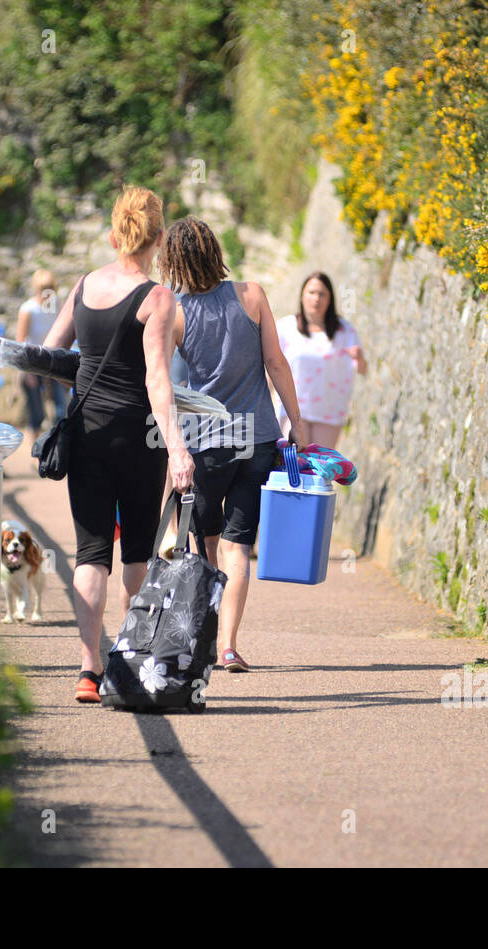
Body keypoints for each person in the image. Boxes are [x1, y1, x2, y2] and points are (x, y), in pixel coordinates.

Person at [41, 186, 193, 704]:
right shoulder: (156, 297)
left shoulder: (84, 285)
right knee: (137, 557)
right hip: (137, 438)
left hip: (87, 434)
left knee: (90, 555)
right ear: (157, 239)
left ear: (115, 234)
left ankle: (88, 668)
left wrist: (86, 387)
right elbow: (157, 379)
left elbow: (48, 354)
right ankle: (126, 665)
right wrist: (177, 447)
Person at [160, 217, 306, 673]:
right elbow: (276, 364)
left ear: (174, 260)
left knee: (205, 543)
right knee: (238, 547)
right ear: (214, 249)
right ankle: (228, 645)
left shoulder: (177, 313)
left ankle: (204, 637)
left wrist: (171, 446)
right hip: (258, 439)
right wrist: (296, 423)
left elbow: (162, 383)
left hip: (206, 446)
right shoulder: (253, 295)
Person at [275, 272, 368, 449]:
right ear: (302, 295)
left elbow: (362, 369)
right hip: (292, 411)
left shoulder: (345, 331)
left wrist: (360, 359)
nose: (316, 299)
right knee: (293, 465)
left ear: (330, 299)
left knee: (320, 469)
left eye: (322, 294)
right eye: (311, 293)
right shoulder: (285, 327)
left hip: (329, 411)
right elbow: (273, 365)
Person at [16, 269, 70, 443]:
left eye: (50, 287)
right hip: (33, 363)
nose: (47, 292)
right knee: (36, 412)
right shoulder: (28, 309)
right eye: (43, 288)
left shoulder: (56, 307)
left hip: (53, 362)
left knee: (61, 408)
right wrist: (28, 372)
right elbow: (21, 341)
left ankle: (56, 448)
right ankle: (35, 449)